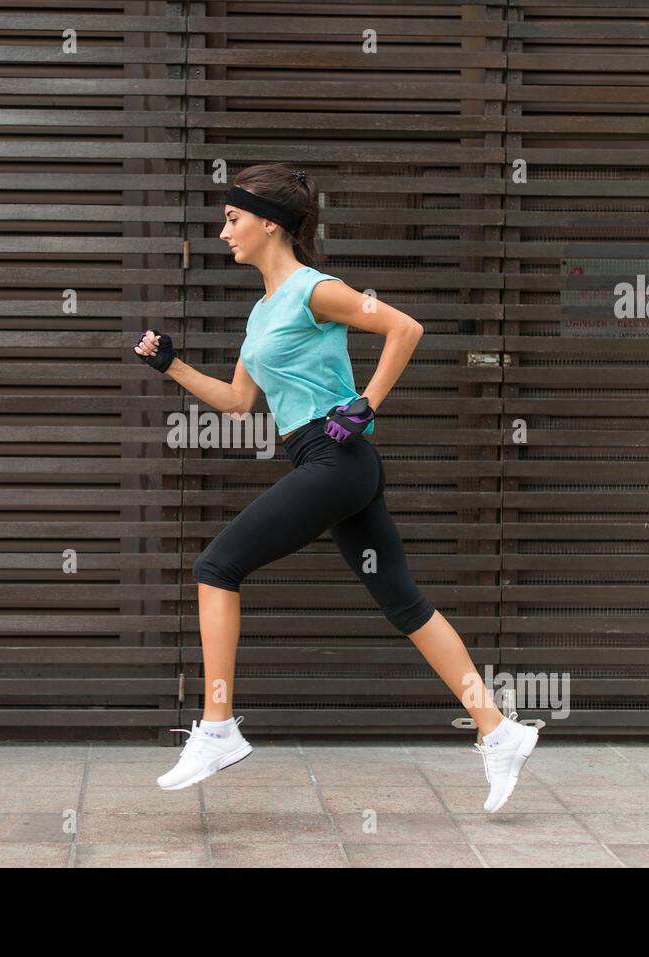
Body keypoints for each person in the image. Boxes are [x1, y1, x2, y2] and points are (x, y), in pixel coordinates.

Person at [133, 163, 538, 813]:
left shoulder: (314, 290)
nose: (221, 232)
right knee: (405, 603)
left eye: (232, 219)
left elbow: (404, 327)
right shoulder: (263, 312)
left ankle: (217, 727)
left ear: (269, 224)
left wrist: (366, 404)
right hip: (329, 462)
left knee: (216, 566)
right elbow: (239, 402)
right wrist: (171, 364)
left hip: (336, 455)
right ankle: (500, 730)